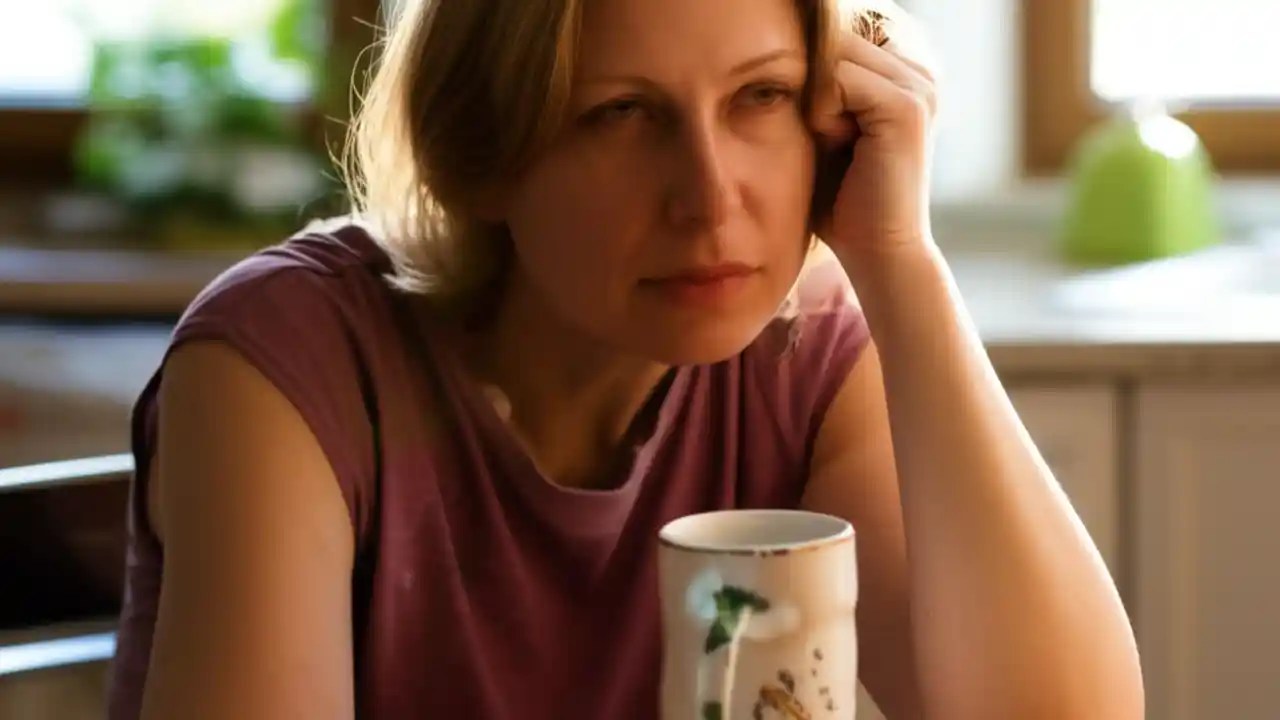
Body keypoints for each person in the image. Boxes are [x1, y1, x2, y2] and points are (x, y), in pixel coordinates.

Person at [107, 0, 1144, 717]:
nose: (707, 197)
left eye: (760, 97)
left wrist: (897, 260)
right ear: (481, 154)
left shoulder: (799, 351)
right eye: (620, 115)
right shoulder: (285, 365)